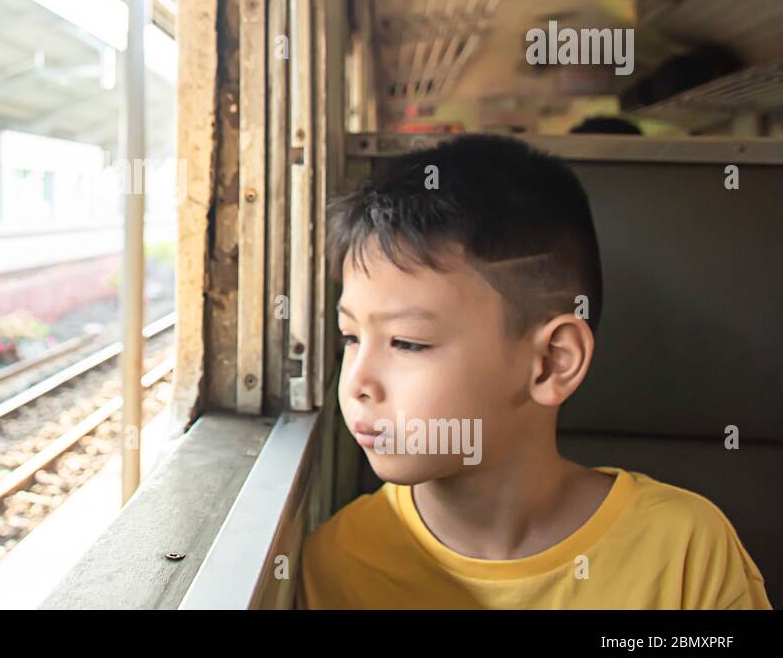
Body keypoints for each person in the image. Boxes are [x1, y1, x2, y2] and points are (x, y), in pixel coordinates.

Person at [298, 134, 770, 608]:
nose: (356, 382)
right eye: (351, 337)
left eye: (408, 343)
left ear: (551, 364)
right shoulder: (340, 561)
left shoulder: (683, 553)